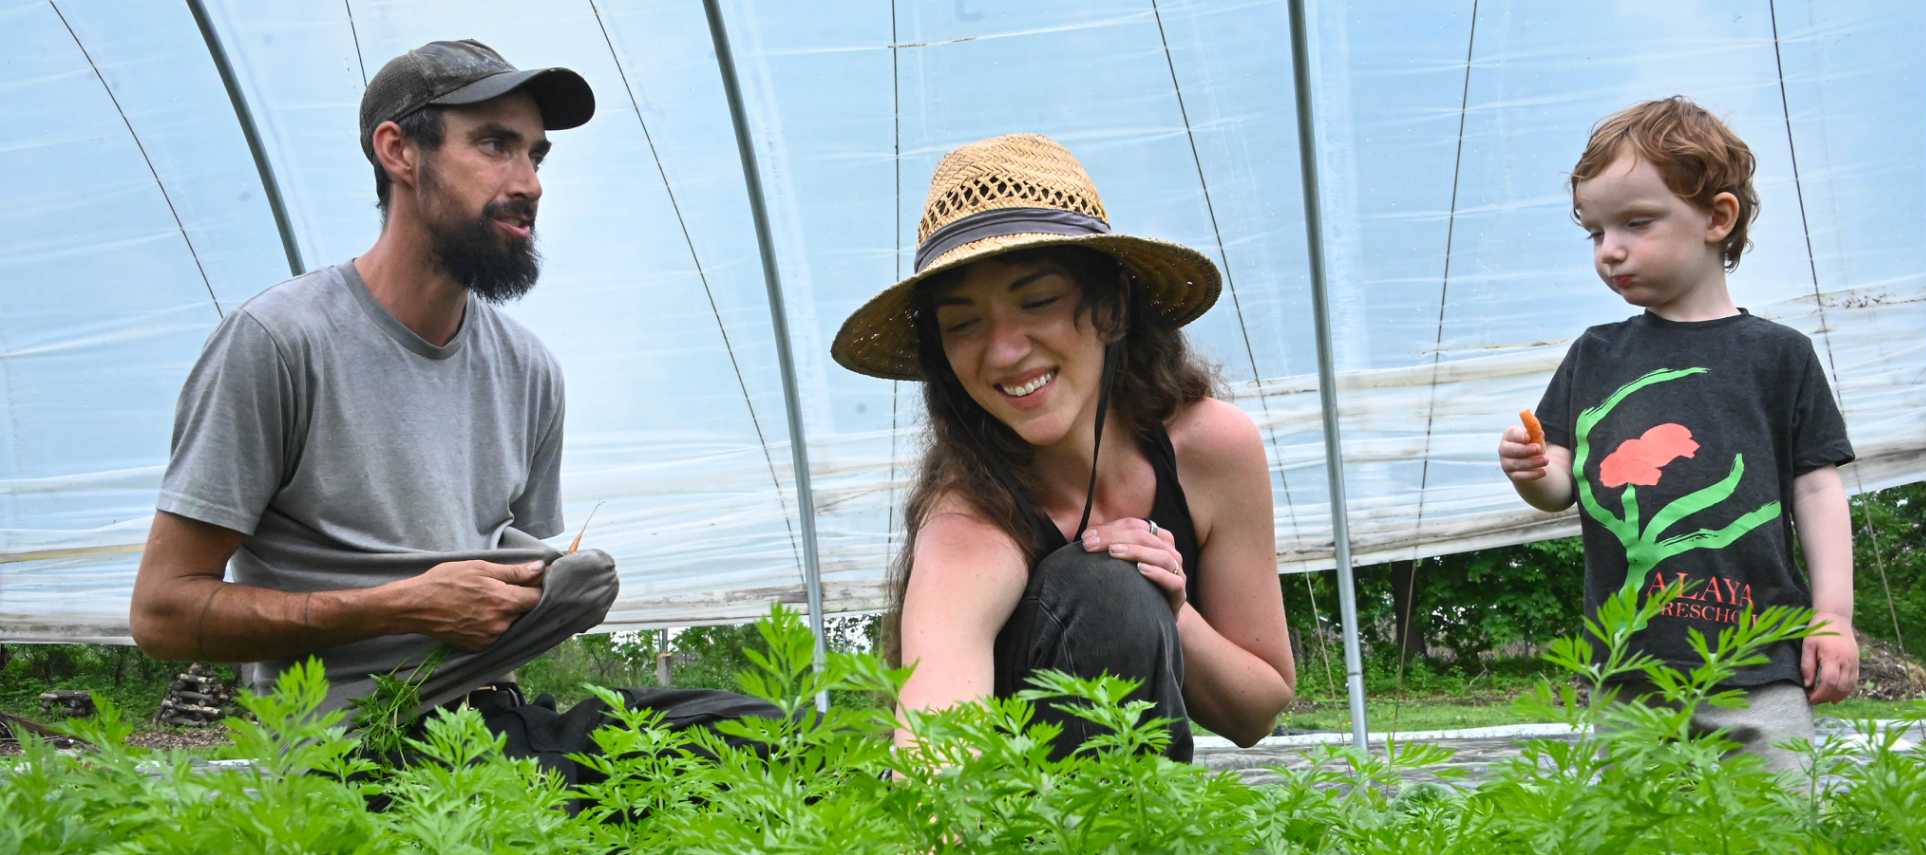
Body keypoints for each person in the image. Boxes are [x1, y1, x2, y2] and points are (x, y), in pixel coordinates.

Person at [128, 39, 772, 777]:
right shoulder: (279, 343)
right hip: (356, 748)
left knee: (772, 738)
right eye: (495, 145)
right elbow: (161, 611)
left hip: (495, 719)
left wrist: (545, 595)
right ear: (399, 151)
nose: (528, 182)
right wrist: (403, 605)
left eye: (536, 155)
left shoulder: (529, 370)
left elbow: (496, 604)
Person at [831, 134, 1295, 761]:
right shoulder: (969, 517)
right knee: (1103, 594)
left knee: (1118, 589)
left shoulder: (1212, 449)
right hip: (1007, 833)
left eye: (1039, 301)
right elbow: (936, 750)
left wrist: (1171, 608)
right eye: (963, 323)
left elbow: (1258, 709)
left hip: (1130, 844)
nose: (1003, 351)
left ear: (1113, 307)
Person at [1497, 97, 1859, 775]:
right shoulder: (1595, 354)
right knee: (1638, 849)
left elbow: (1816, 488)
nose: (1611, 251)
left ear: (1717, 219)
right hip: (1632, 667)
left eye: (1636, 223)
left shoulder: (1779, 356)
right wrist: (1530, 469)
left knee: (1778, 843)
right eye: (1594, 232)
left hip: (1760, 666)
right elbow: (1560, 484)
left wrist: (1832, 616)